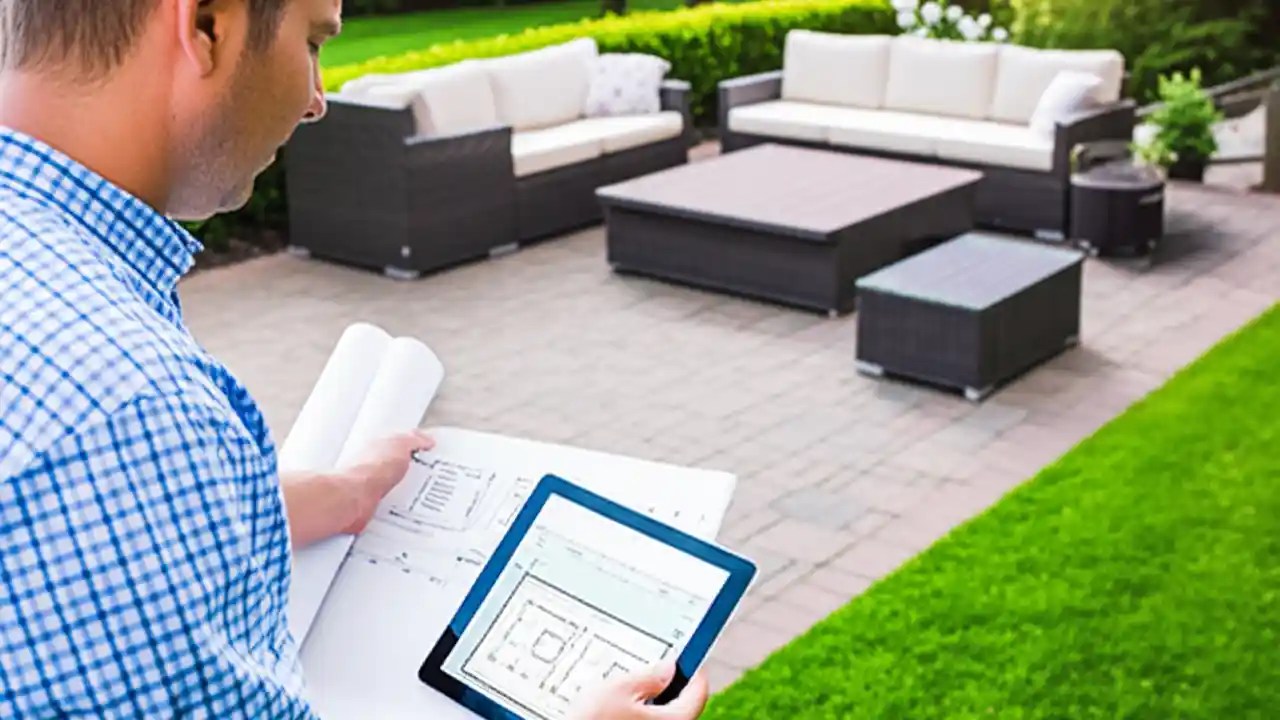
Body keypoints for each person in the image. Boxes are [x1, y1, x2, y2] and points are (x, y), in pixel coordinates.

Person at [0, 1, 709, 717]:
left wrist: (331, 495)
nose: (315, 99)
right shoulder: (131, 420)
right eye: (311, 42)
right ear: (208, 24)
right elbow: (111, 478)